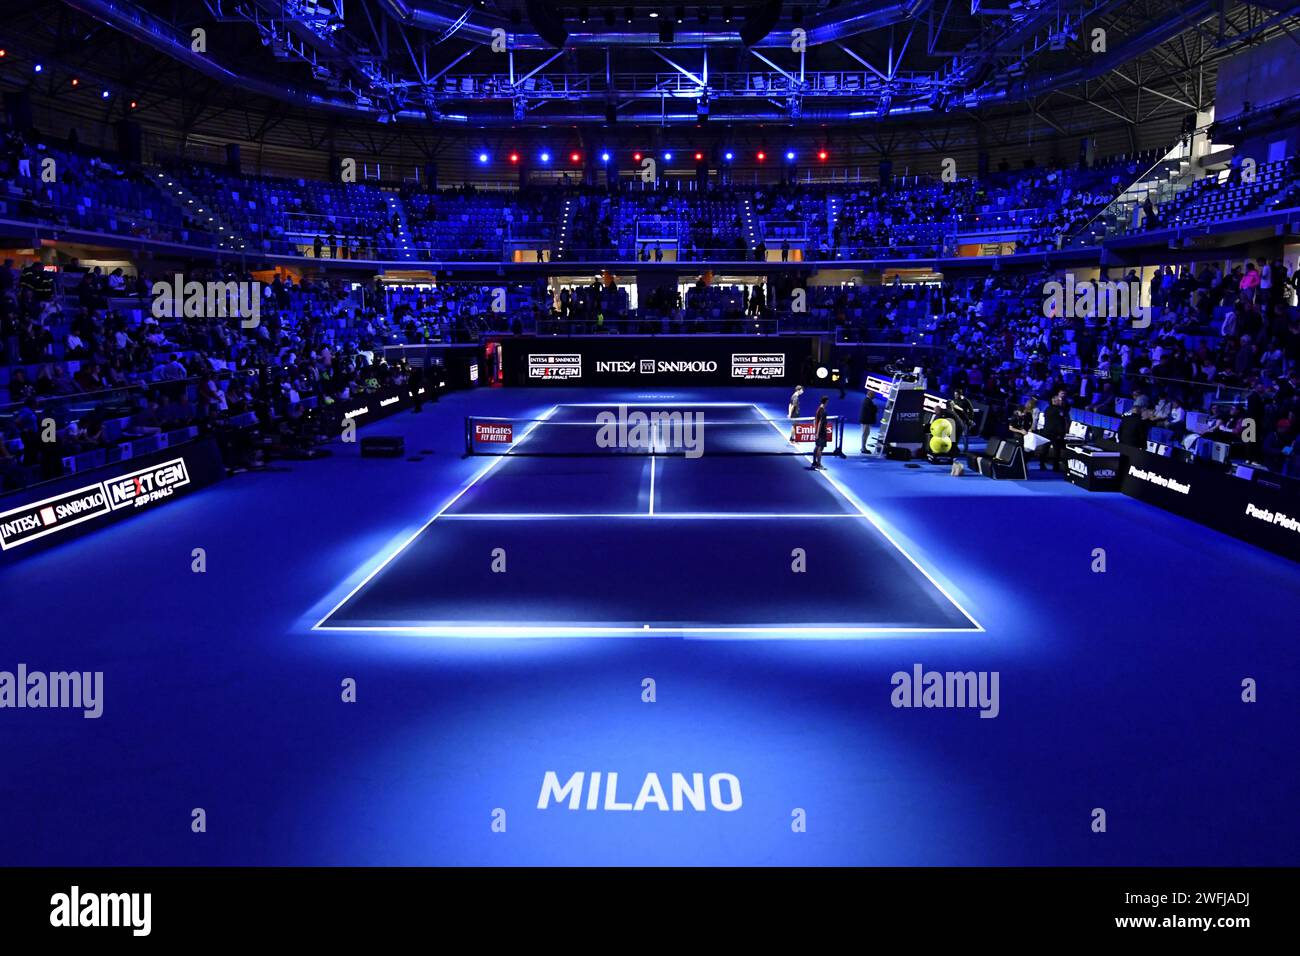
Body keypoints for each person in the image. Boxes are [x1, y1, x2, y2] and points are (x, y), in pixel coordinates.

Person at [949, 385, 975, 453]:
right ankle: (954, 448)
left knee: (964, 435)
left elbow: (971, 410)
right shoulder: (954, 400)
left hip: (964, 420)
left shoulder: (966, 401)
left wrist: (970, 419)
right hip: (956, 420)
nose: (955, 396)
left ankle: (965, 449)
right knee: (954, 434)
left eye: (956, 394)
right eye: (954, 394)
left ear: (960, 394)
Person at [811, 396, 831, 471]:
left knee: (817, 447)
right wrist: (818, 433)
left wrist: (816, 431)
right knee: (820, 448)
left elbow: (815, 420)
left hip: (818, 431)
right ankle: (818, 464)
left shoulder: (818, 409)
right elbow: (820, 422)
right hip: (821, 432)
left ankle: (814, 463)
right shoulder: (822, 411)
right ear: (826, 401)